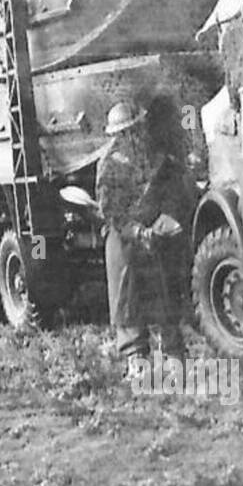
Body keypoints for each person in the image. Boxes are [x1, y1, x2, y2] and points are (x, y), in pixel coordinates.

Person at [95, 98, 198, 362]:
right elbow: (112, 212)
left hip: (156, 234)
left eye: (137, 128)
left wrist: (168, 217)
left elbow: (174, 186)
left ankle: (173, 353)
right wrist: (138, 232)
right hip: (125, 239)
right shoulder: (110, 164)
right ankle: (135, 356)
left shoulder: (155, 154)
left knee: (165, 294)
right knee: (126, 299)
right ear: (119, 135)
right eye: (128, 131)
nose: (135, 135)